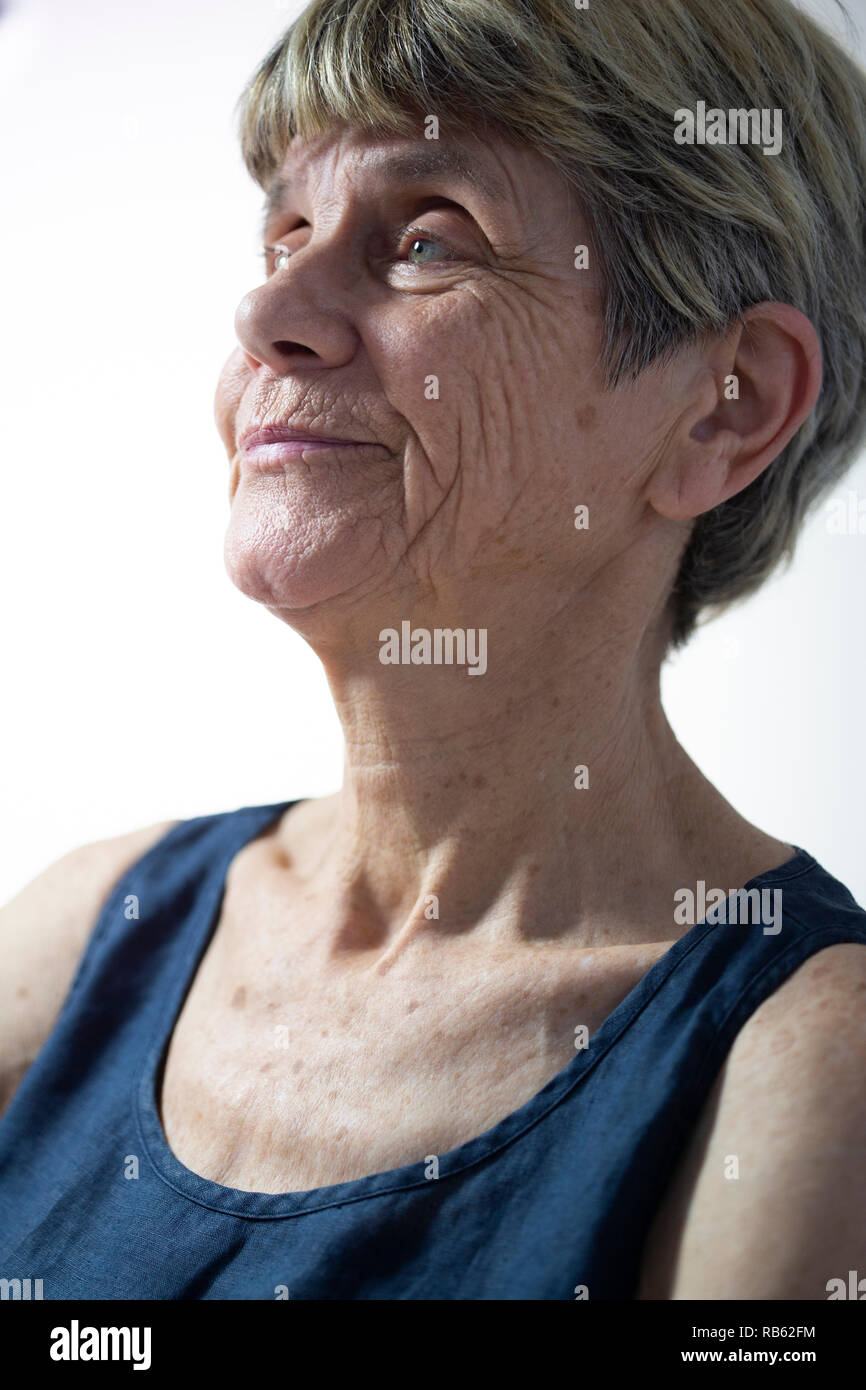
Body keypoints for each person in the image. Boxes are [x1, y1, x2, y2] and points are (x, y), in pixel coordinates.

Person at [2, 0, 866, 1300]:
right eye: (284, 231)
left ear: (722, 405)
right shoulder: (90, 925)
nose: (269, 311)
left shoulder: (798, 1062)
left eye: (422, 240)